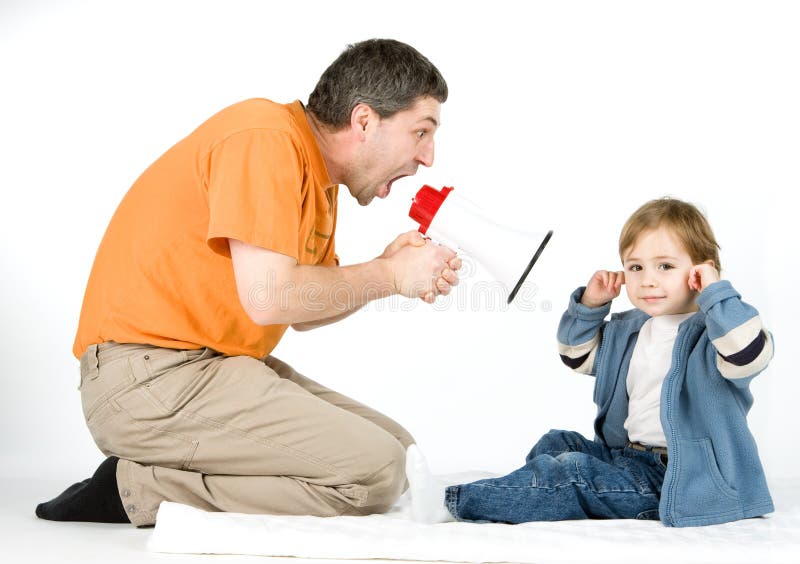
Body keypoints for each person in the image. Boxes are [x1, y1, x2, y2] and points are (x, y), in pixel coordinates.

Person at [36, 38, 462, 527]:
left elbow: (301, 312)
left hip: (212, 368)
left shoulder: (318, 179)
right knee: (375, 473)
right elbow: (269, 298)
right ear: (364, 121)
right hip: (146, 380)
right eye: (421, 132)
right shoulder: (264, 138)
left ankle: (170, 472)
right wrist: (386, 273)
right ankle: (139, 488)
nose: (428, 157)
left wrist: (388, 274)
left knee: (404, 456)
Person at [407, 197, 774, 527]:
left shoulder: (717, 334)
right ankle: (514, 495)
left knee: (573, 473)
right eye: (635, 267)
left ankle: (449, 504)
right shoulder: (632, 329)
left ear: (700, 271)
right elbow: (575, 356)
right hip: (625, 456)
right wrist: (592, 307)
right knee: (557, 443)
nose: (647, 280)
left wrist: (715, 293)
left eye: (665, 266)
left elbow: (749, 351)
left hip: (677, 478)